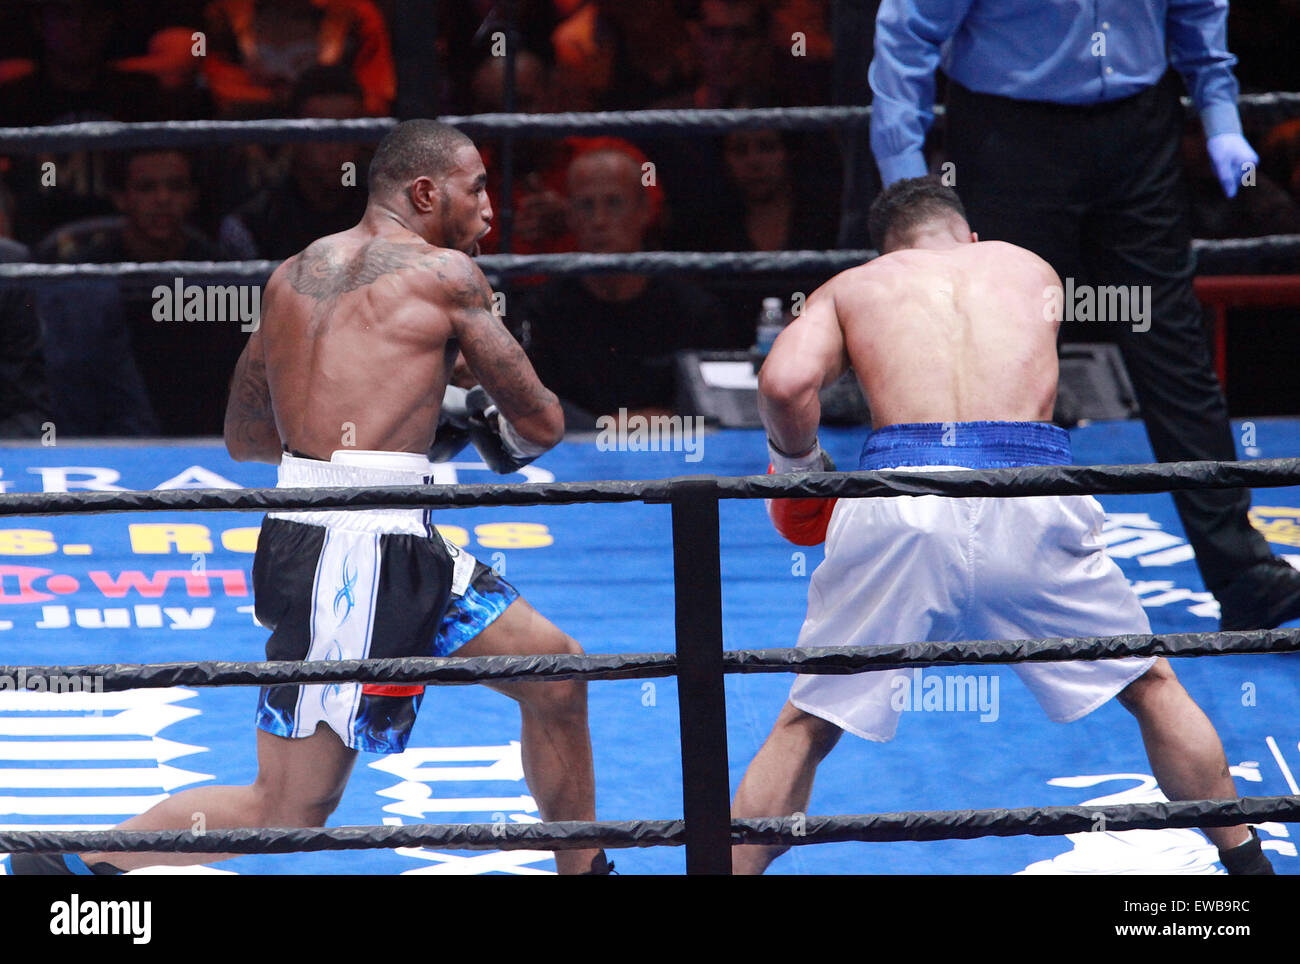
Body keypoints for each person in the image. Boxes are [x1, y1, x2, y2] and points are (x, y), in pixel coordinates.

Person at [11, 120, 612, 876]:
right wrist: (470, 415)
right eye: (478, 187)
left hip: (360, 533)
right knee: (288, 809)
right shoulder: (450, 276)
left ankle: (586, 871)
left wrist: (397, 421)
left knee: (555, 674)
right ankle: (65, 865)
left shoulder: (292, 273)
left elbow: (246, 438)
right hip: (356, 557)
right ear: (426, 192)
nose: (491, 207)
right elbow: (543, 424)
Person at [731, 177, 1273, 876]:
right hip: (1029, 492)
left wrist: (796, 461)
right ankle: (1249, 868)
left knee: (806, 724)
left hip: (904, 497)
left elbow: (782, 383)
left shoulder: (857, 284)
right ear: (969, 236)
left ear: (887, 247)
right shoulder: (1028, 268)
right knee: (1150, 686)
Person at [868, 0, 1300, 632]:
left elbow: (1197, 10)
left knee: (1172, 345)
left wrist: (1220, 114)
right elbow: (906, 37)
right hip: (1008, 137)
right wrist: (907, 187)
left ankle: (1246, 578)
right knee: (992, 353)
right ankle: (958, 573)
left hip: (1140, 131)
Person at [521, 143, 730, 424]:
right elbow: (530, 413)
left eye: (614, 203)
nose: (599, 221)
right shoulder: (542, 313)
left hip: (671, 459)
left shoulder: (693, 311)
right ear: (570, 215)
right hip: (572, 460)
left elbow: (714, 414)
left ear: (645, 210)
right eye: (586, 206)